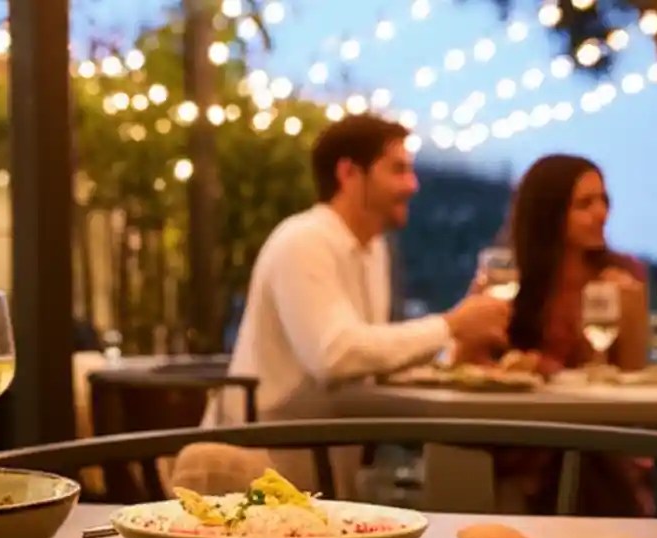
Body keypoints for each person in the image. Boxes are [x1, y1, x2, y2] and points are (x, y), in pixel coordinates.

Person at [198, 115, 510, 494]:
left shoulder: (373, 248)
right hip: (259, 472)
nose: (412, 185)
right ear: (348, 173)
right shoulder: (303, 241)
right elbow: (334, 356)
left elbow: (367, 353)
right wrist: (450, 325)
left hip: (326, 471)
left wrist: (456, 347)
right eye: (398, 170)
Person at [461, 154, 653, 515]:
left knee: (589, 456)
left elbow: (631, 375)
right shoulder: (512, 279)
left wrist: (632, 313)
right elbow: (463, 363)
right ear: (549, 212)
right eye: (585, 204)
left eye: (603, 201)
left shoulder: (620, 277)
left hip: (592, 433)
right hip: (519, 432)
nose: (601, 213)